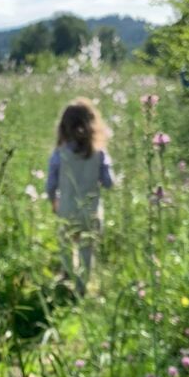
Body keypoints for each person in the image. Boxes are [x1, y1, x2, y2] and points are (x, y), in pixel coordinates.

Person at [46, 98, 113, 296]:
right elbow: (109, 183)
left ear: (63, 128)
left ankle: (67, 277)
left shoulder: (59, 154)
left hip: (66, 209)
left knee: (66, 245)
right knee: (87, 250)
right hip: (91, 212)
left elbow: (50, 186)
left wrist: (53, 202)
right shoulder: (100, 155)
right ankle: (81, 289)